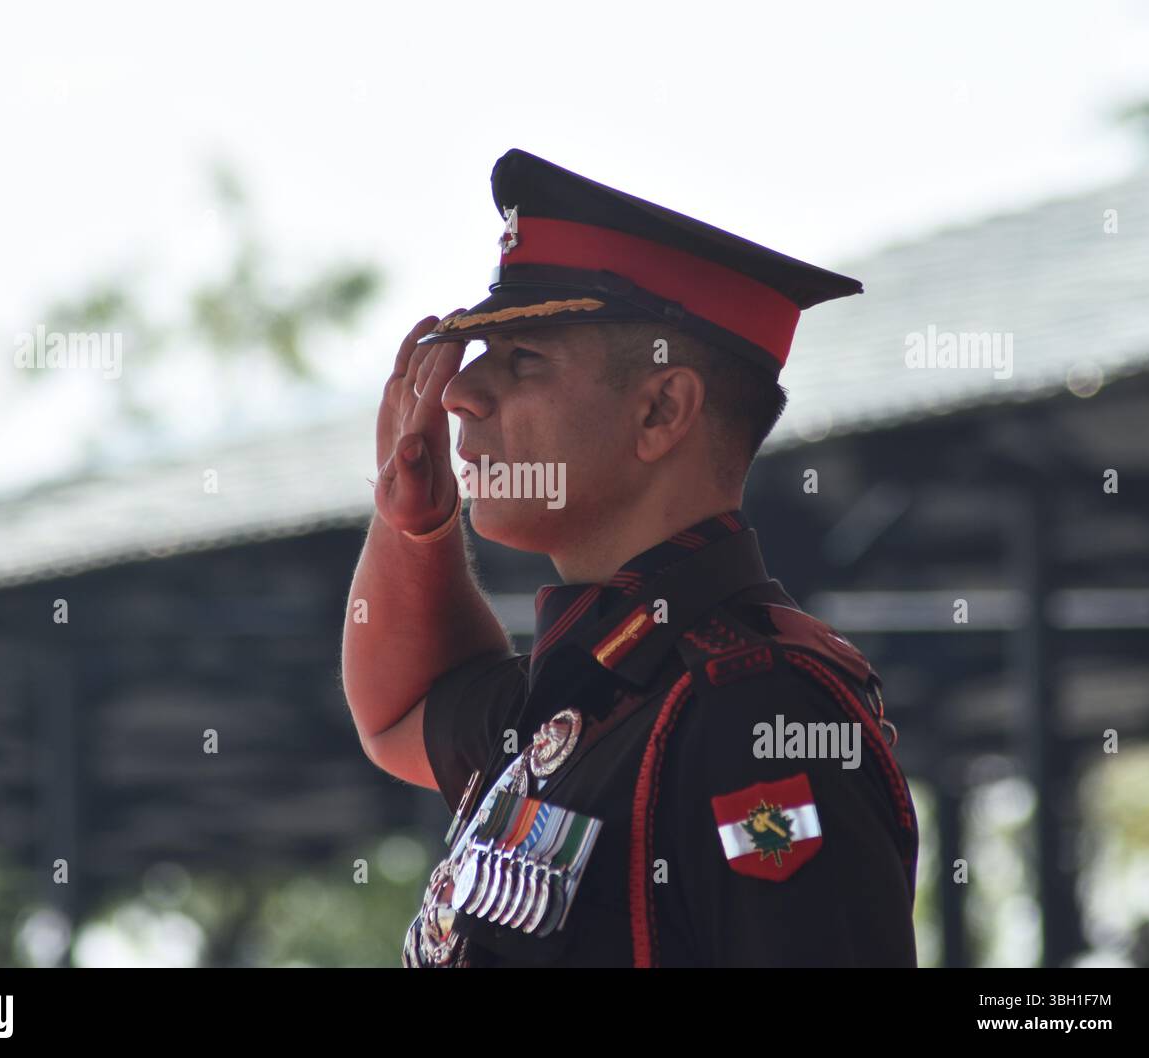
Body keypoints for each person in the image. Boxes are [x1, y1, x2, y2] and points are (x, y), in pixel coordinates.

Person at [341, 148, 919, 967]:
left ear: (661, 408)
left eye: (522, 359)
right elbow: (399, 710)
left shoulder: (756, 714)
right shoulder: (589, 691)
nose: (460, 394)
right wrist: (416, 525)